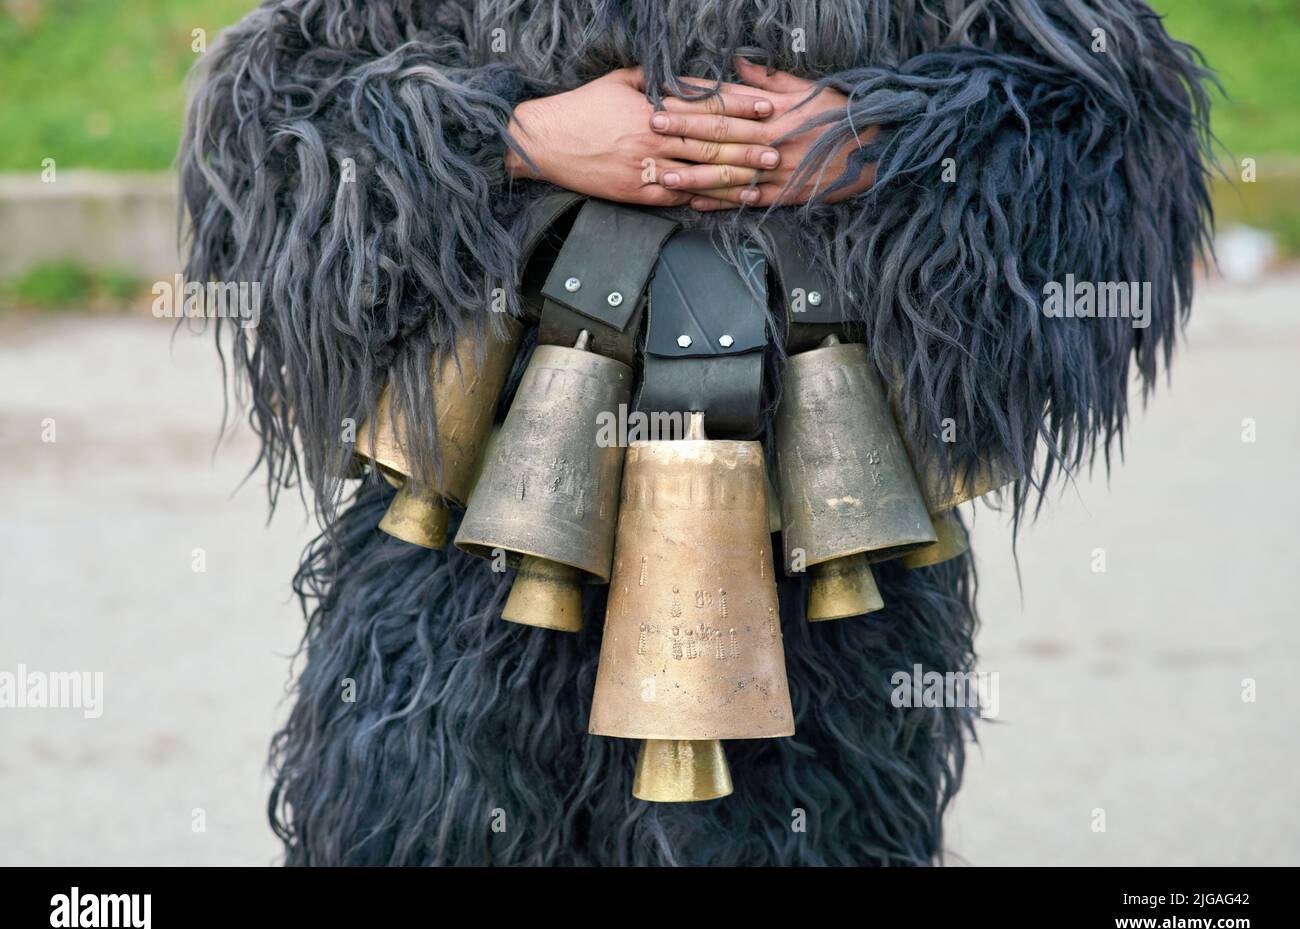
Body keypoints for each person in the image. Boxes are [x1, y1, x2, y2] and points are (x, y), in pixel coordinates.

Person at [180, 0, 1213, 865]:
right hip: (463, 549)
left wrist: (886, 140)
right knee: (429, 815)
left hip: (822, 541)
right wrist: (514, 136)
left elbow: (1108, 115)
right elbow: (276, 110)